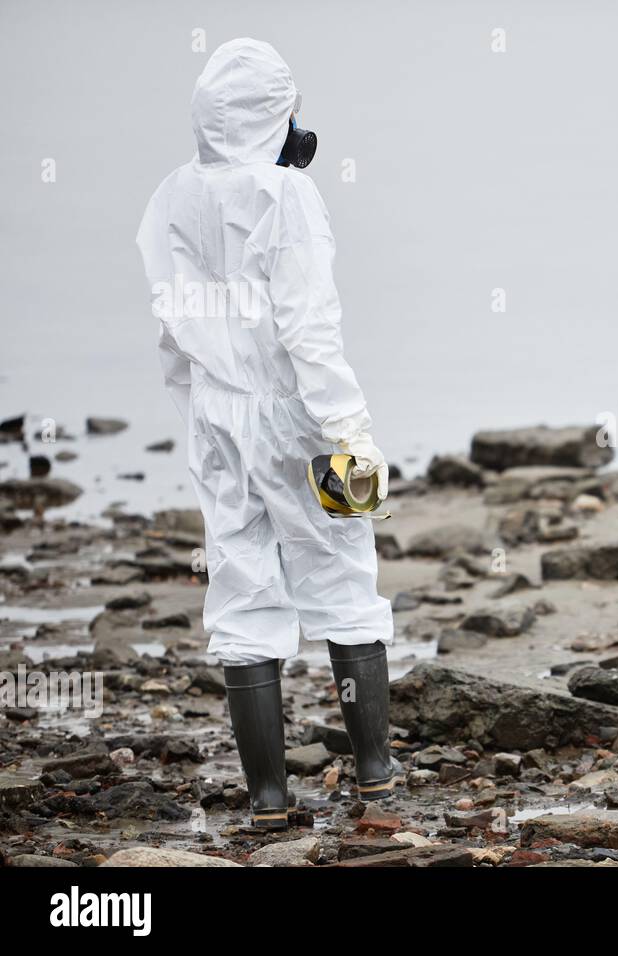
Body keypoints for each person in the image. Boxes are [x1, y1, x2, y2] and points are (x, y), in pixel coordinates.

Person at [135, 38, 398, 828]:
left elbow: (170, 325)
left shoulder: (172, 194)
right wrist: (352, 431)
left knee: (243, 589)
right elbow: (309, 331)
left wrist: (198, 417)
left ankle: (268, 798)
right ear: (274, 117)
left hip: (218, 413)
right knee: (345, 580)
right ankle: (377, 772)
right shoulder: (288, 199)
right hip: (296, 416)